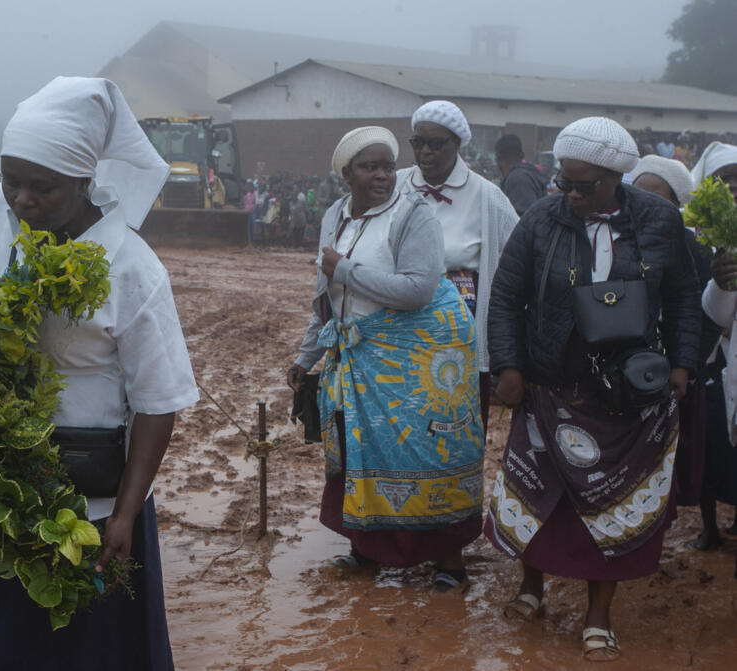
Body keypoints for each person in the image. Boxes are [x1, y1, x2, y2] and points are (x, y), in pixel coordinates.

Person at [0, 76, 199, 670]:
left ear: (82, 180)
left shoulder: (132, 269)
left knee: (84, 652)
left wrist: (124, 514)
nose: (21, 198)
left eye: (42, 187)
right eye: (10, 178)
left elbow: (158, 401)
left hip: (83, 503)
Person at [486, 117, 700, 661]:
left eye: (587, 185)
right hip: (550, 382)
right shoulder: (540, 219)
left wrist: (682, 366)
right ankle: (531, 588)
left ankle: (598, 615)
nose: (573, 194)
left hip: (629, 391)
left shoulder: (659, 219)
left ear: (616, 178)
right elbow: (507, 295)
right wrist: (508, 365)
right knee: (542, 497)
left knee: (615, 503)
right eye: (566, 182)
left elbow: (680, 296)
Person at [287, 126, 484, 592]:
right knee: (360, 452)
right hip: (356, 356)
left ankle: (448, 562)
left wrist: (347, 270)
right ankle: (367, 550)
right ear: (346, 174)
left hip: (417, 357)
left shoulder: (413, 213)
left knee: (426, 454)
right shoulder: (335, 215)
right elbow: (326, 295)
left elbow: (418, 290)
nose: (381, 175)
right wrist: (306, 356)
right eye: (369, 167)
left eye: (388, 166)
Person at [396, 101, 518, 428]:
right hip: (399, 332)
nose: (425, 152)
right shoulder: (394, 187)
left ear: (457, 145)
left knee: (453, 433)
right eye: (417, 143)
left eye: (436, 144)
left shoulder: (488, 197)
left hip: (459, 340)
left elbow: (517, 269)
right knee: (401, 428)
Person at [632, 155, 721, 530]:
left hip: (676, 369)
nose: (646, 206)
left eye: (658, 198)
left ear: (676, 201)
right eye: (637, 196)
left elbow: (702, 312)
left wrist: (685, 362)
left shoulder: (694, 247)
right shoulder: (618, 240)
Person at [692, 141, 737, 549]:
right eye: (725, 179)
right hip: (707, 359)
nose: (734, 188)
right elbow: (713, 313)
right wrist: (721, 282)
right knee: (709, 444)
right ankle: (709, 526)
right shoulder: (691, 237)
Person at [494, 134, 546, 216]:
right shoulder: (528, 173)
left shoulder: (517, 178)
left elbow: (524, 220)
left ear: (498, 159)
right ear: (522, 155)